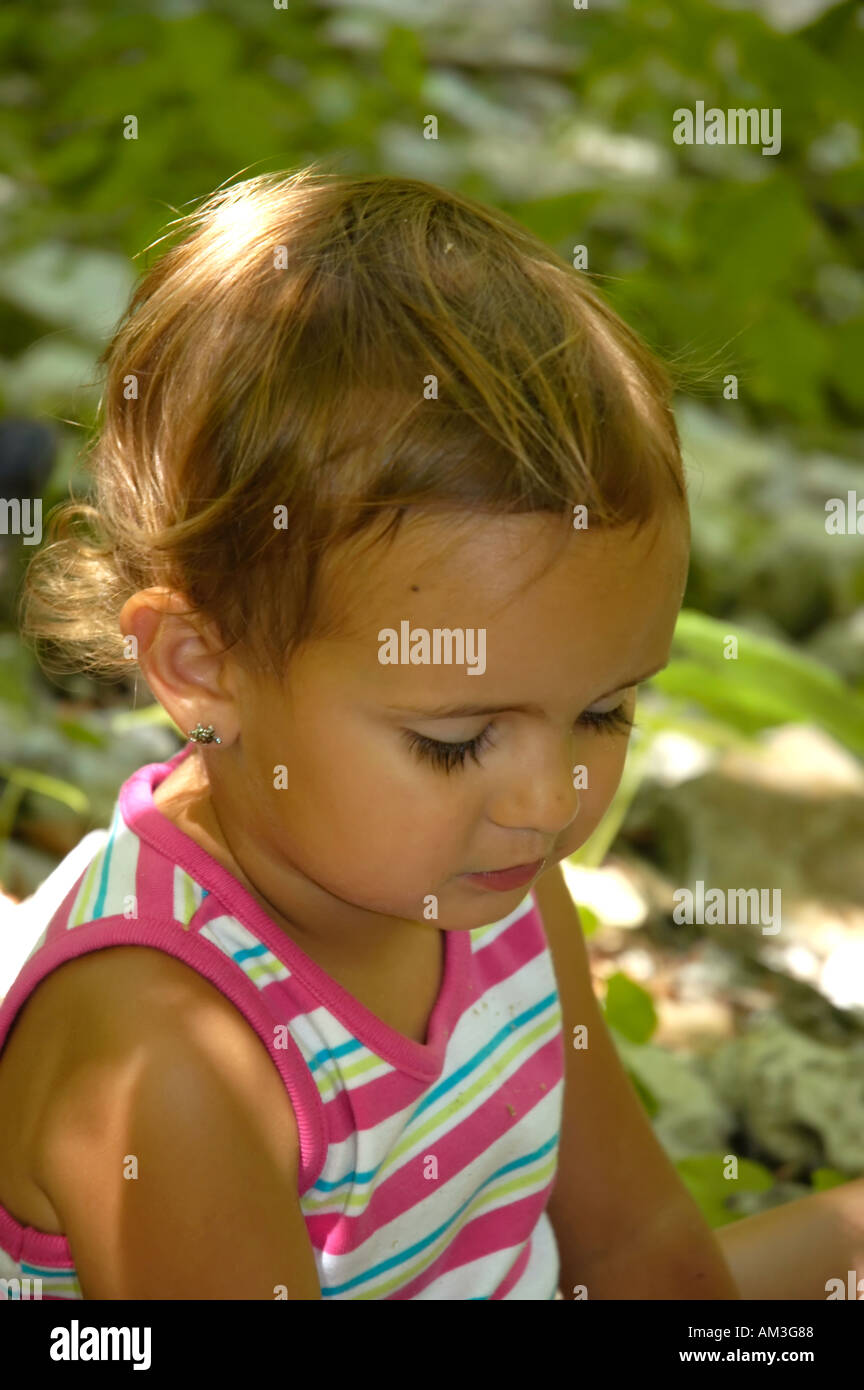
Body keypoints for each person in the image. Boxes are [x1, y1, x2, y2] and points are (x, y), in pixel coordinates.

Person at [1, 166, 859, 1300]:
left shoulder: (488, 875)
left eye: (604, 710)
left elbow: (641, 1247)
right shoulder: (168, 1051)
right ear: (201, 671)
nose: (553, 800)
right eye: (456, 739)